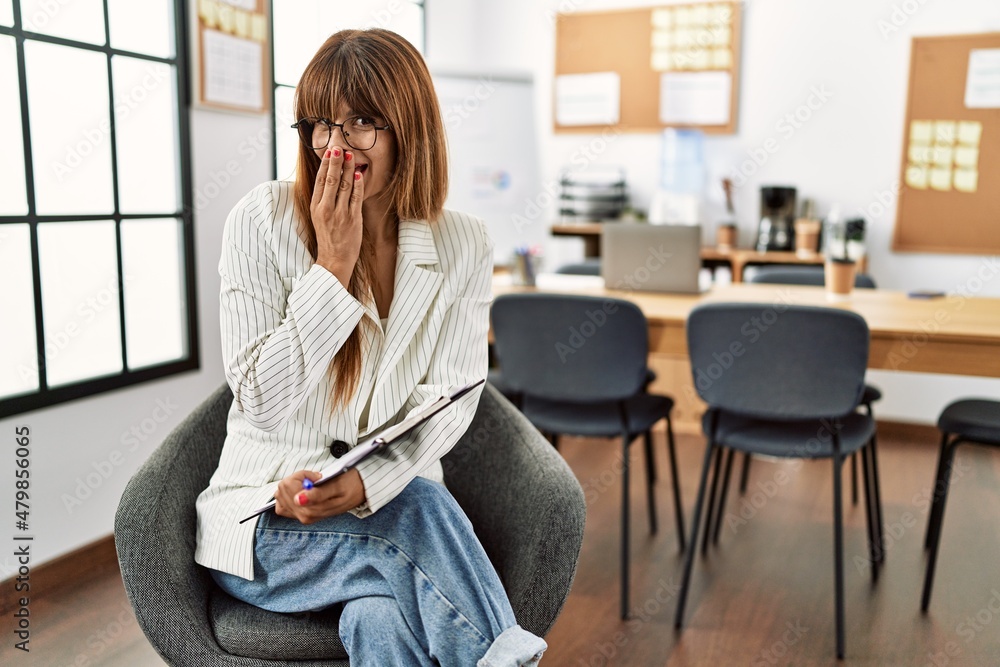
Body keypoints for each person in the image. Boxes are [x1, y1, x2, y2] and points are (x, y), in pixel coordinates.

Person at [194, 28, 546, 666]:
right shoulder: (261, 220)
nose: (335, 146)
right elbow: (260, 402)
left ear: (409, 129)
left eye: (361, 122)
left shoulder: (463, 242)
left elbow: (452, 399)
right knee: (419, 508)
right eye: (320, 124)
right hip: (268, 530)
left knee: (380, 619)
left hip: (391, 517)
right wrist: (332, 266)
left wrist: (365, 483)